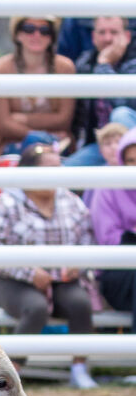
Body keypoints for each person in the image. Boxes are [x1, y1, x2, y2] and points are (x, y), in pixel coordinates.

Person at [0, 144, 100, 388]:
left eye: (58, 167)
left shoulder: (69, 200)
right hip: (12, 280)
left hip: (61, 277)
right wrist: (28, 271)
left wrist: (77, 264)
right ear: (28, 172)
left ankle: (79, 368)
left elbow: (87, 237)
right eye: (50, 168)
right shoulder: (5, 203)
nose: (56, 173)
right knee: (35, 307)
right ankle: (9, 374)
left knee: (80, 303)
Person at [0, 15, 75, 156]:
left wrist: (22, 119)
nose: (36, 35)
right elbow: (1, 124)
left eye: (44, 30)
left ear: (52, 36)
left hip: (57, 146)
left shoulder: (64, 67)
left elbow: (64, 120)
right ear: (17, 34)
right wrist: (35, 135)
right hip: (10, 148)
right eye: (28, 29)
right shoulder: (0, 69)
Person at [67, 15, 136, 163]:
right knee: (67, 171)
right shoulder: (85, 64)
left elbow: (124, 102)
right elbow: (78, 115)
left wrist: (104, 64)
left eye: (114, 32)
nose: (107, 38)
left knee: (121, 114)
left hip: (131, 141)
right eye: (102, 32)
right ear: (93, 37)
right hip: (101, 145)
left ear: (128, 36)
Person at [87, 128, 136, 313]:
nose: (134, 166)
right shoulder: (108, 187)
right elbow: (108, 239)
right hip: (117, 272)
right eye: (130, 161)